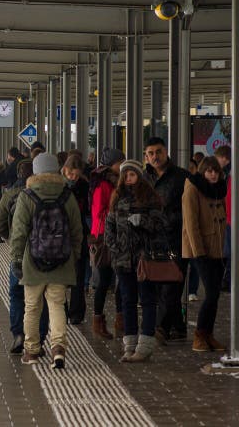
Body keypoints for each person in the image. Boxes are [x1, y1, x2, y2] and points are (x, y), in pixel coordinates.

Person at [10, 153, 83, 369]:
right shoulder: (67, 195)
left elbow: (19, 232)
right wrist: (74, 256)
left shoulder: (27, 195)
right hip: (61, 260)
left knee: (32, 307)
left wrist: (15, 258)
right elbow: (77, 230)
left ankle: (32, 351)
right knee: (57, 305)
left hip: (33, 262)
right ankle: (58, 349)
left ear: (35, 171)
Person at [105, 159, 166, 362]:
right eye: (126, 175)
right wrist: (115, 248)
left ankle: (145, 345)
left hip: (144, 259)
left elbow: (160, 226)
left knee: (147, 300)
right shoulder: (117, 198)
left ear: (139, 176)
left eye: (132, 174)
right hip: (122, 260)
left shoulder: (150, 199)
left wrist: (144, 222)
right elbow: (109, 228)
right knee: (127, 301)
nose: (129, 178)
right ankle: (129, 345)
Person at [0, 159, 49, 355]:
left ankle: (18, 335)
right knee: (40, 297)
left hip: (18, 254)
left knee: (17, 295)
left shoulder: (11, 194)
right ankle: (39, 339)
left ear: (18, 174)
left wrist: (10, 237)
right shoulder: (47, 193)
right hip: (42, 253)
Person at [143, 137, 190, 343]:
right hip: (153, 240)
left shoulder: (181, 177)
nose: (155, 156)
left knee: (173, 283)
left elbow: (189, 207)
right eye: (151, 153)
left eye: (158, 152)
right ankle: (178, 327)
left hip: (177, 238)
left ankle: (161, 328)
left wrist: (169, 220)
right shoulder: (144, 178)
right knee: (160, 284)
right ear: (146, 155)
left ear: (166, 152)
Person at [182, 156, 228, 352]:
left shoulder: (219, 190)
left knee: (215, 294)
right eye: (209, 170)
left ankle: (208, 334)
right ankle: (199, 334)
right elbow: (191, 223)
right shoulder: (193, 188)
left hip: (217, 248)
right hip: (200, 249)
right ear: (202, 171)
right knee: (210, 293)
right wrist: (199, 252)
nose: (213, 174)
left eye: (216, 171)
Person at [89, 147, 126, 339]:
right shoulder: (103, 184)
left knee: (120, 278)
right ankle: (98, 321)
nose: (123, 165)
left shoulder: (115, 181)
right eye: (121, 161)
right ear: (112, 164)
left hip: (116, 235)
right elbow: (98, 213)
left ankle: (121, 319)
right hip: (104, 237)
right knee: (103, 281)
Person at [62, 155, 89, 324]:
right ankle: (62, 311)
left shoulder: (84, 186)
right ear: (64, 169)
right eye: (71, 174)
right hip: (60, 236)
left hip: (79, 234)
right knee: (61, 277)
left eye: (77, 175)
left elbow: (85, 211)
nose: (73, 178)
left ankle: (77, 313)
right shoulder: (57, 185)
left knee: (79, 276)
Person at [215, 145, 232, 292]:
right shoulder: (228, 173)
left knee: (228, 251)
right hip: (229, 217)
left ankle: (227, 281)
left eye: (217, 159)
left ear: (224, 158)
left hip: (230, 218)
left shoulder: (229, 173)